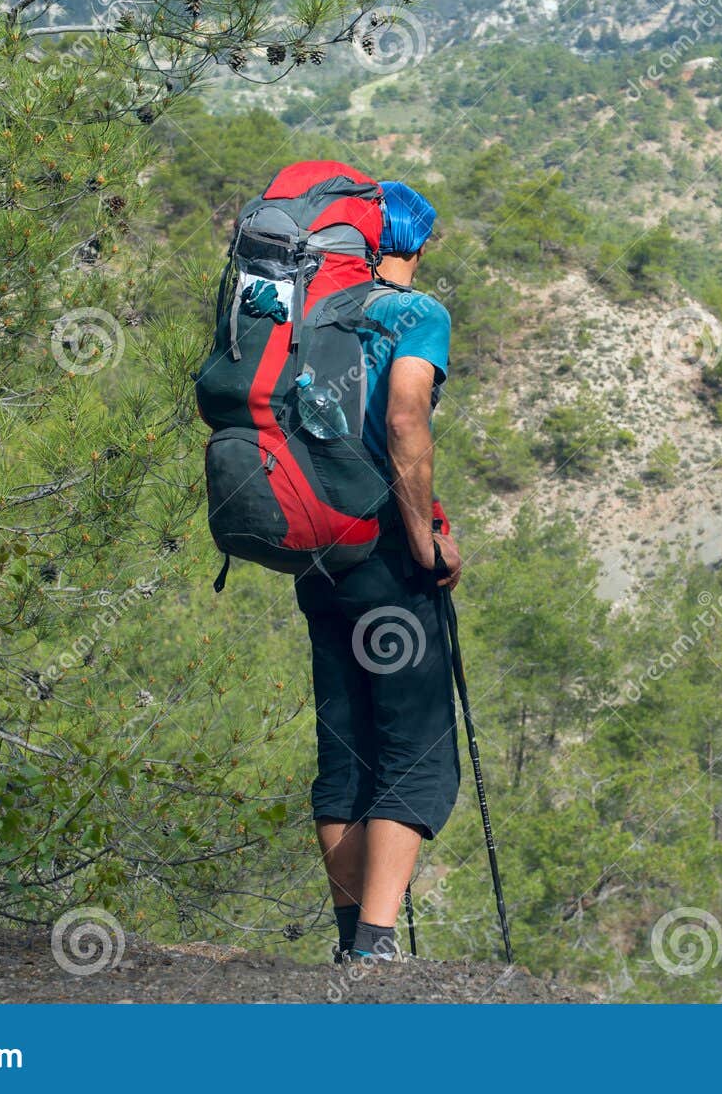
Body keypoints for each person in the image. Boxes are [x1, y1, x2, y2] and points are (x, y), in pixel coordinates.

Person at [294, 180, 462, 962]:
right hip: (384, 560)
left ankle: (345, 940)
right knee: (413, 751)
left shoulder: (308, 312)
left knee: (346, 748)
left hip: (315, 552)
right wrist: (427, 539)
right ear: (417, 246)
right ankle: (377, 947)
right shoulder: (417, 315)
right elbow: (403, 420)